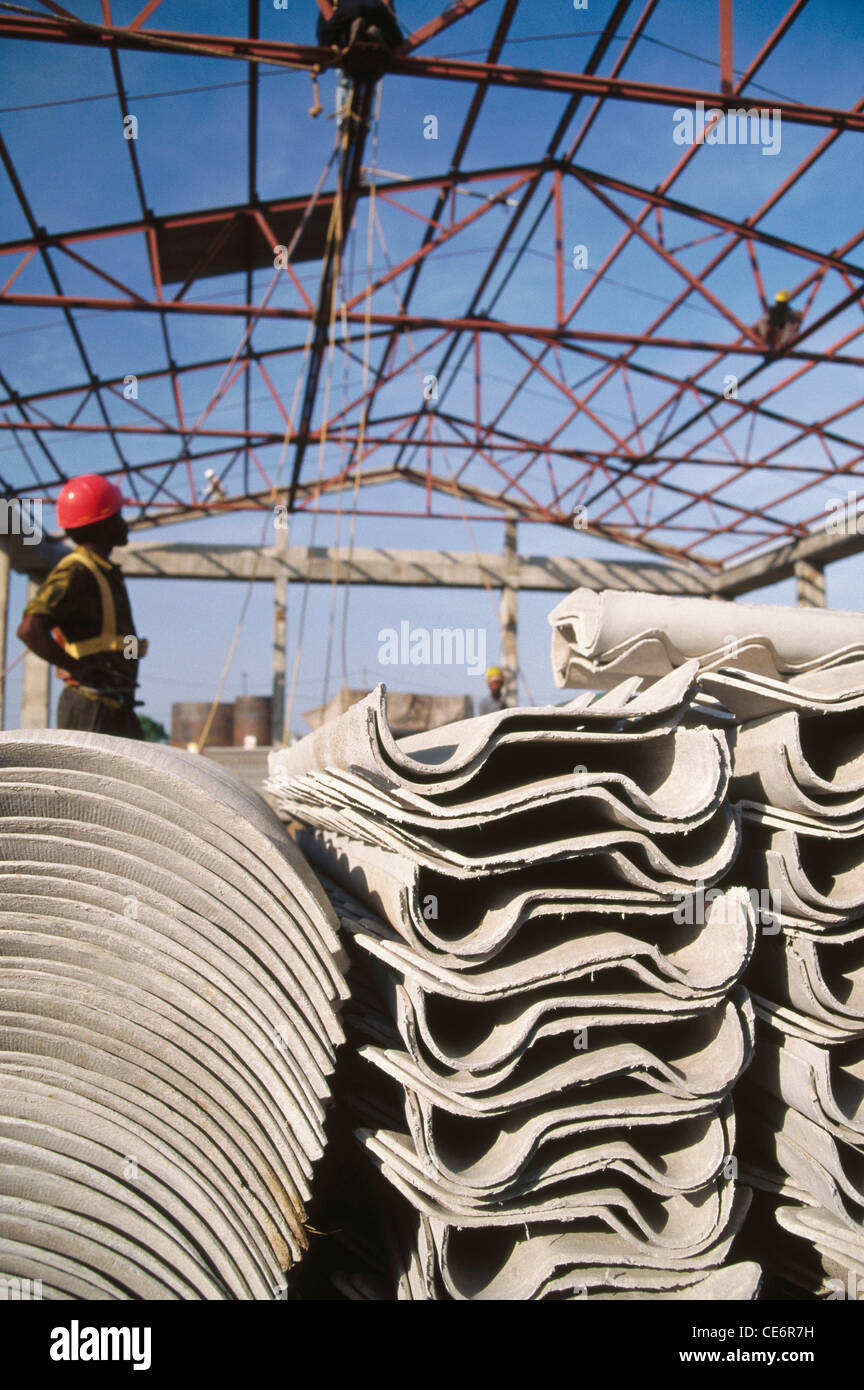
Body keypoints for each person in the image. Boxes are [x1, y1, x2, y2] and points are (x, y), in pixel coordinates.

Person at [16, 474, 147, 739]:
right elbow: (30, 629)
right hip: (91, 706)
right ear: (103, 524)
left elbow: (119, 640)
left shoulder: (105, 573)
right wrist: (78, 669)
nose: (124, 523)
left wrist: (134, 651)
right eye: (118, 515)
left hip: (116, 704)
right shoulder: (76, 572)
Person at [316, 0, 402, 50]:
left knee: (372, 8)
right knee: (357, 9)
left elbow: (388, 9)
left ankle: (378, 36)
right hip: (342, 23)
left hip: (370, 18)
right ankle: (352, 36)